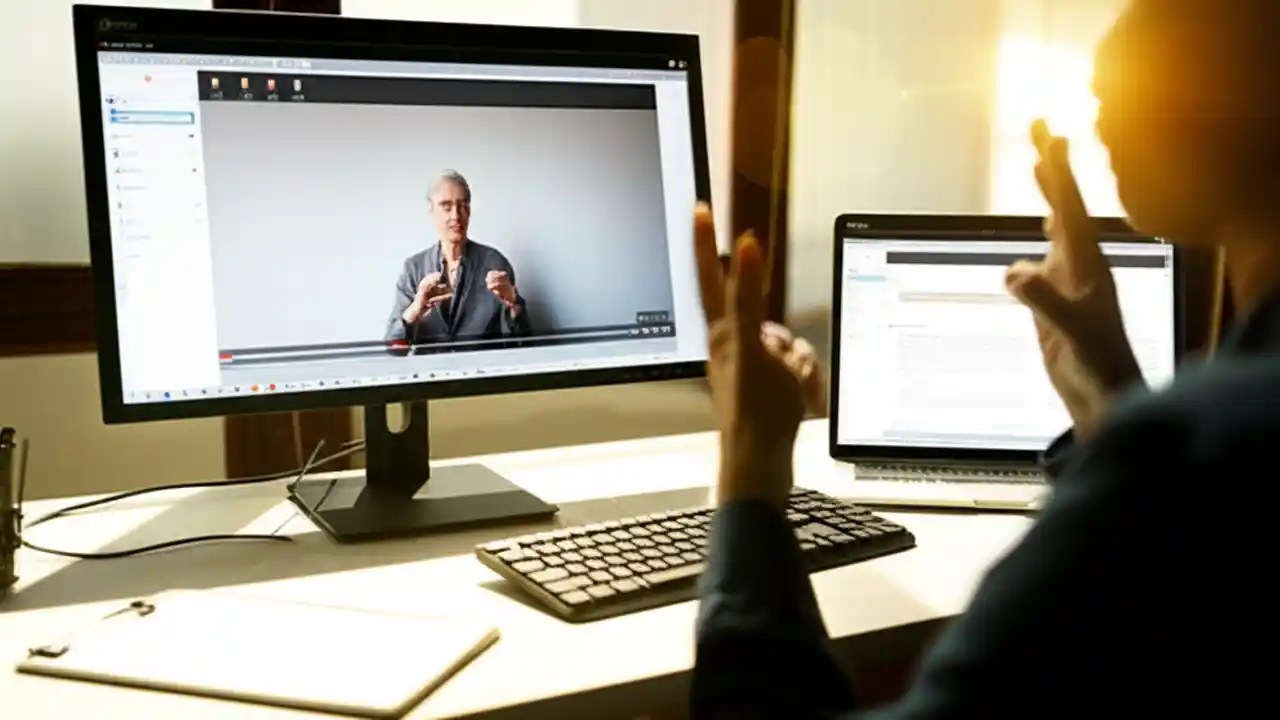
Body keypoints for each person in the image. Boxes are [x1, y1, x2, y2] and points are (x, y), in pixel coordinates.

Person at [691, 0, 1280, 715]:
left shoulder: (1191, 455)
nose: (1098, 113)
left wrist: (750, 478)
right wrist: (1111, 400)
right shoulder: (1197, 448)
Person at [385, 170, 531, 344]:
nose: (455, 216)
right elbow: (393, 347)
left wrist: (515, 304)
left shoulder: (495, 263)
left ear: (469, 210)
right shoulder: (414, 268)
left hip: (482, 369)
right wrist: (416, 309)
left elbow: (523, 344)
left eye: (462, 206)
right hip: (431, 370)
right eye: (446, 207)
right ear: (431, 210)